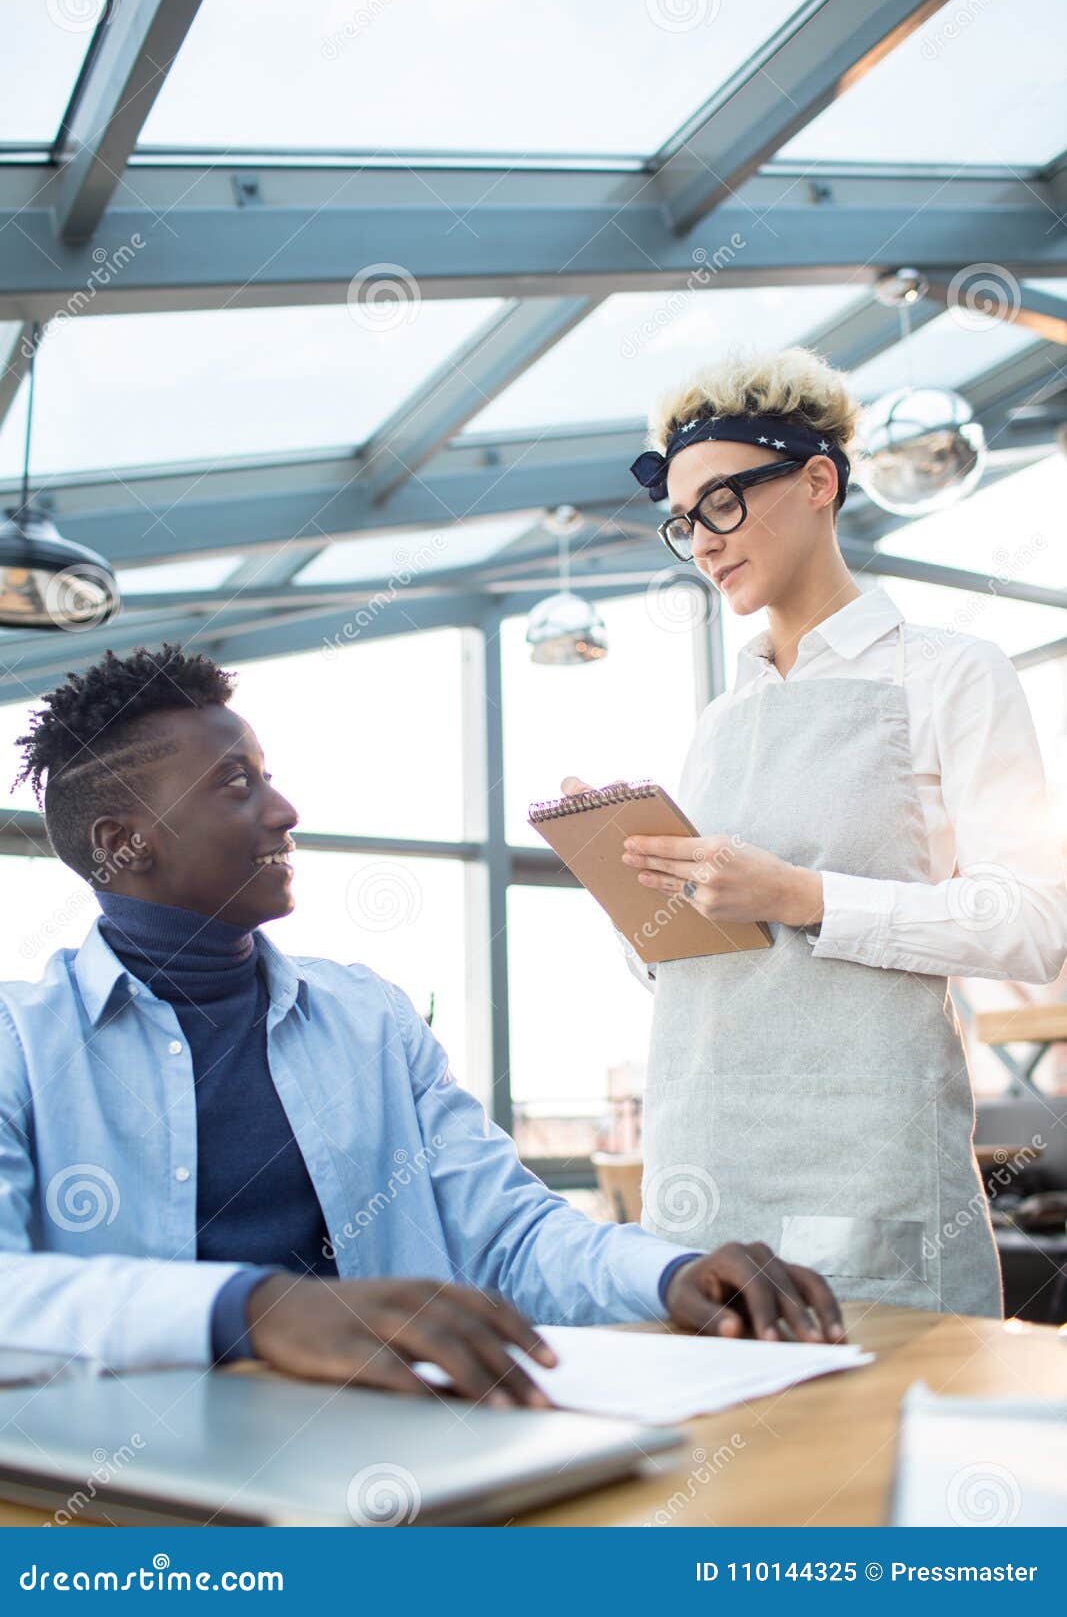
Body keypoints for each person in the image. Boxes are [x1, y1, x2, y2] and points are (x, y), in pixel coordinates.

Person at [0, 645, 845, 1409]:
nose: (283, 809)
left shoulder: (366, 1018)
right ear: (125, 843)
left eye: (266, 775)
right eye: (236, 784)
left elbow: (506, 1236)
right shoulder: (17, 1041)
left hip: (396, 1453)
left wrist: (670, 1273)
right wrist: (257, 1311)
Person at [571, 346, 1067, 1320]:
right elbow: (704, 963)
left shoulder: (951, 674)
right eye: (681, 522)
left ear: (814, 481)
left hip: (869, 1177)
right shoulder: (718, 720)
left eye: (720, 503)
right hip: (702, 1175)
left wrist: (798, 893)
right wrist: (642, 900)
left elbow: (1030, 924)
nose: (702, 542)